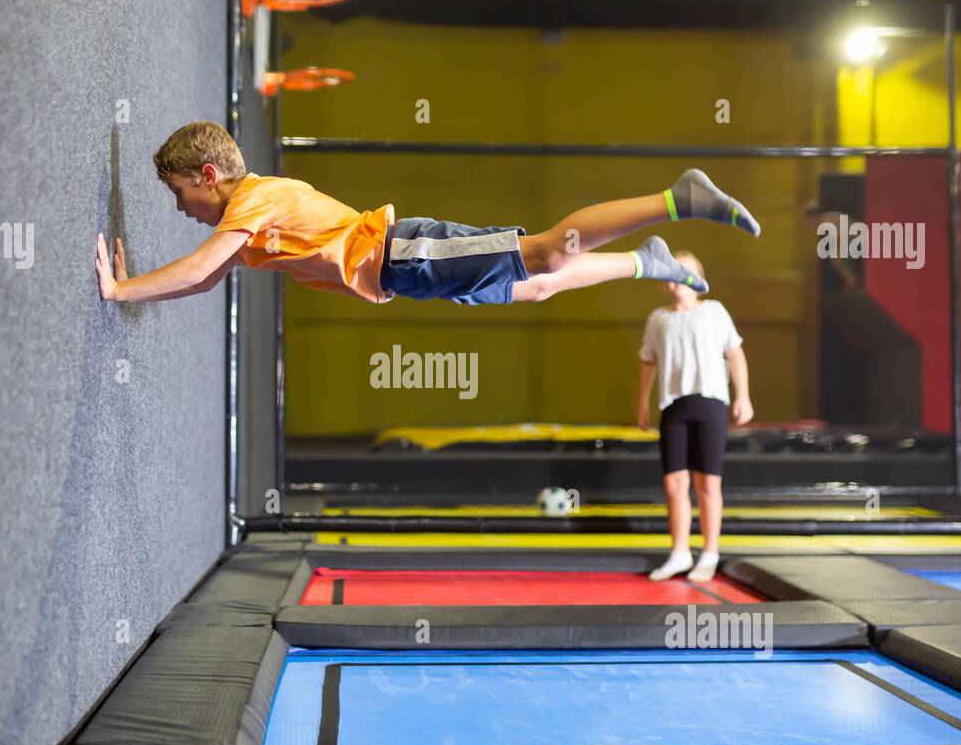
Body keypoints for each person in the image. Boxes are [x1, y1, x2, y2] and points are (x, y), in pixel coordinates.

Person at [94, 121, 760, 306]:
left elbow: (203, 265)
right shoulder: (253, 214)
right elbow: (206, 277)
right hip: (405, 272)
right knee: (542, 286)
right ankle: (647, 263)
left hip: (403, 256)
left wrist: (121, 288)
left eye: (181, 193)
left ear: (209, 177)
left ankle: (678, 199)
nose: (183, 209)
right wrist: (140, 284)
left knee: (552, 252)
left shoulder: (253, 199)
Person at [637, 252, 753, 582]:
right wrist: (642, 403)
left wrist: (743, 395)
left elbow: (735, 353)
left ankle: (711, 551)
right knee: (674, 482)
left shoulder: (713, 311)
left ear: (697, 276)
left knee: (708, 482)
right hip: (674, 404)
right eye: (671, 271)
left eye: (684, 271)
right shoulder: (658, 318)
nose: (676, 278)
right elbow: (648, 362)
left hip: (710, 402)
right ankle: (679, 551)